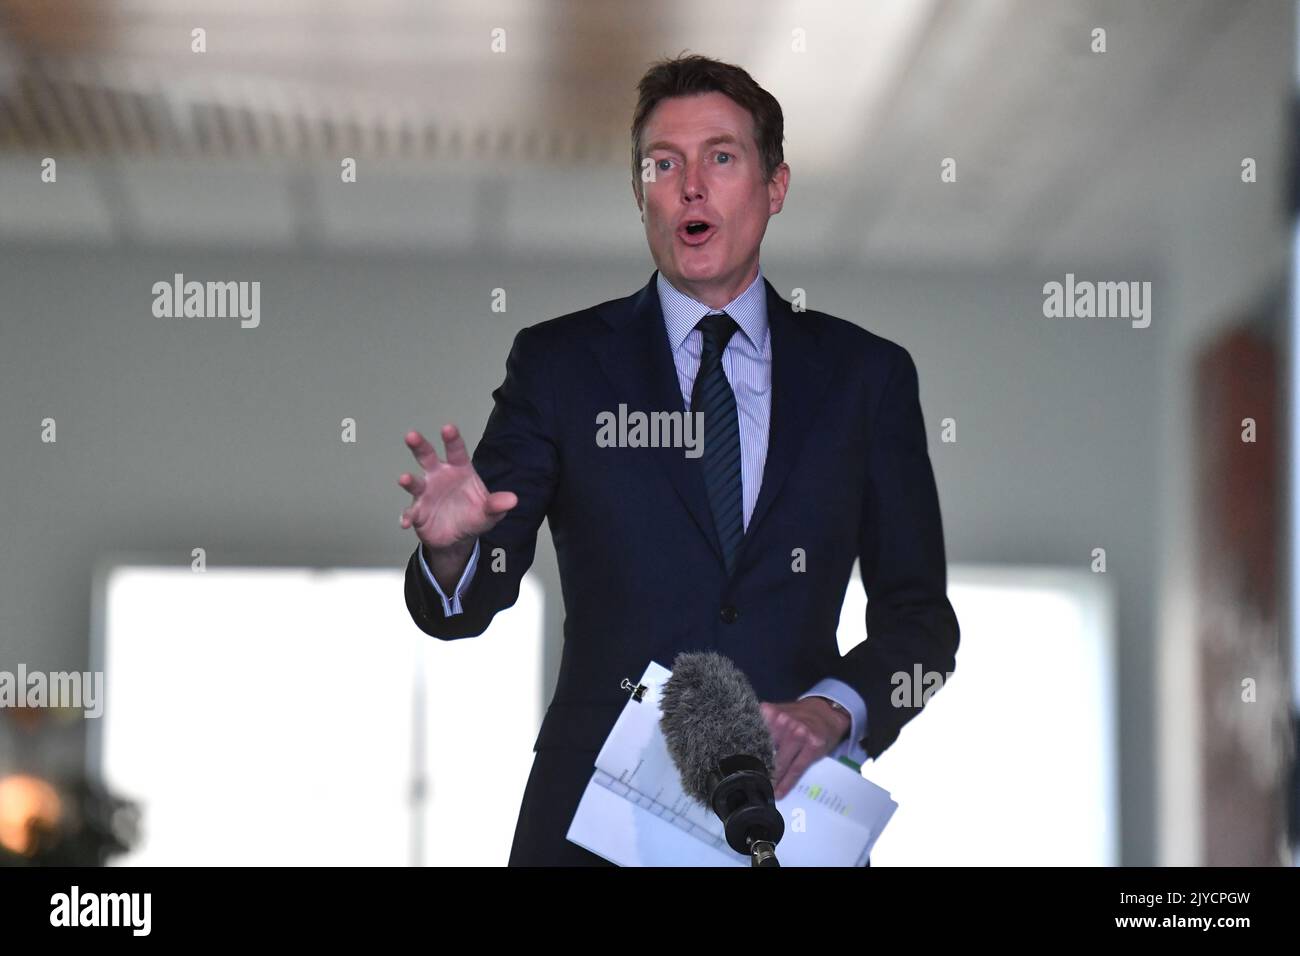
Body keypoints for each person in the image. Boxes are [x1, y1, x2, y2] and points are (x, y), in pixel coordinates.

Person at [398, 54, 959, 866]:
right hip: (593, 825)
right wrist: (453, 554)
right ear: (641, 195)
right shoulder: (561, 366)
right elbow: (472, 599)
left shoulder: (866, 377)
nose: (690, 185)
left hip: (790, 818)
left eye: (721, 158)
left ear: (774, 186)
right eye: (664, 164)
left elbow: (920, 623)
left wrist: (832, 712)